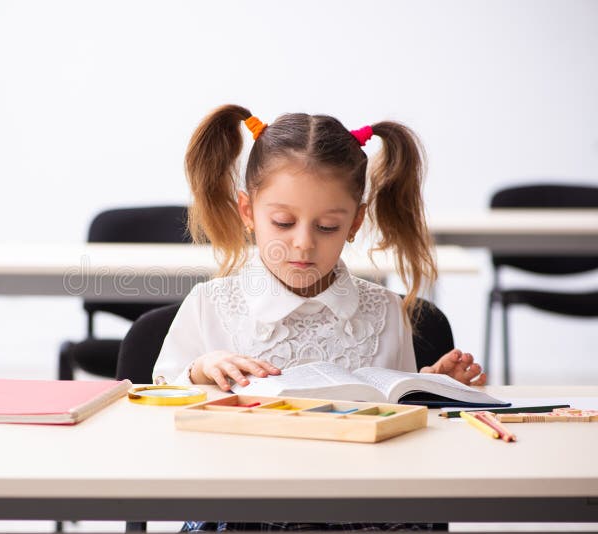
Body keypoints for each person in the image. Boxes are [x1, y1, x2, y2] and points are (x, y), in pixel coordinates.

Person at [152, 104, 486, 531]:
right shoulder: (211, 304)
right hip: (242, 509)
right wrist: (199, 371)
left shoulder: (385, 311)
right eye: (283, 222)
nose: (303, 244)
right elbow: (155, 411)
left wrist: (434, 391)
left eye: (327, 226)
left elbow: (399, 422)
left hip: (363, 511)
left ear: (355, 222)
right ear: (248, 213)